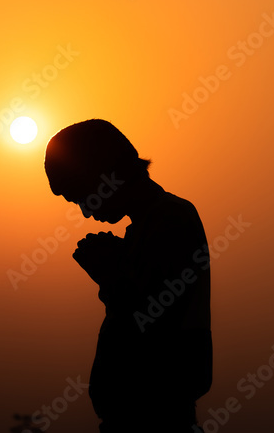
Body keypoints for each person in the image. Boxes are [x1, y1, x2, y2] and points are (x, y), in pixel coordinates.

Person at [44, 119, 213, 432]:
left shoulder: (172, 219)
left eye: (81, 195)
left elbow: (158, 328)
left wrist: (111, 276)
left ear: (105, 176)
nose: (86, 211)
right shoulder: (146, 227)